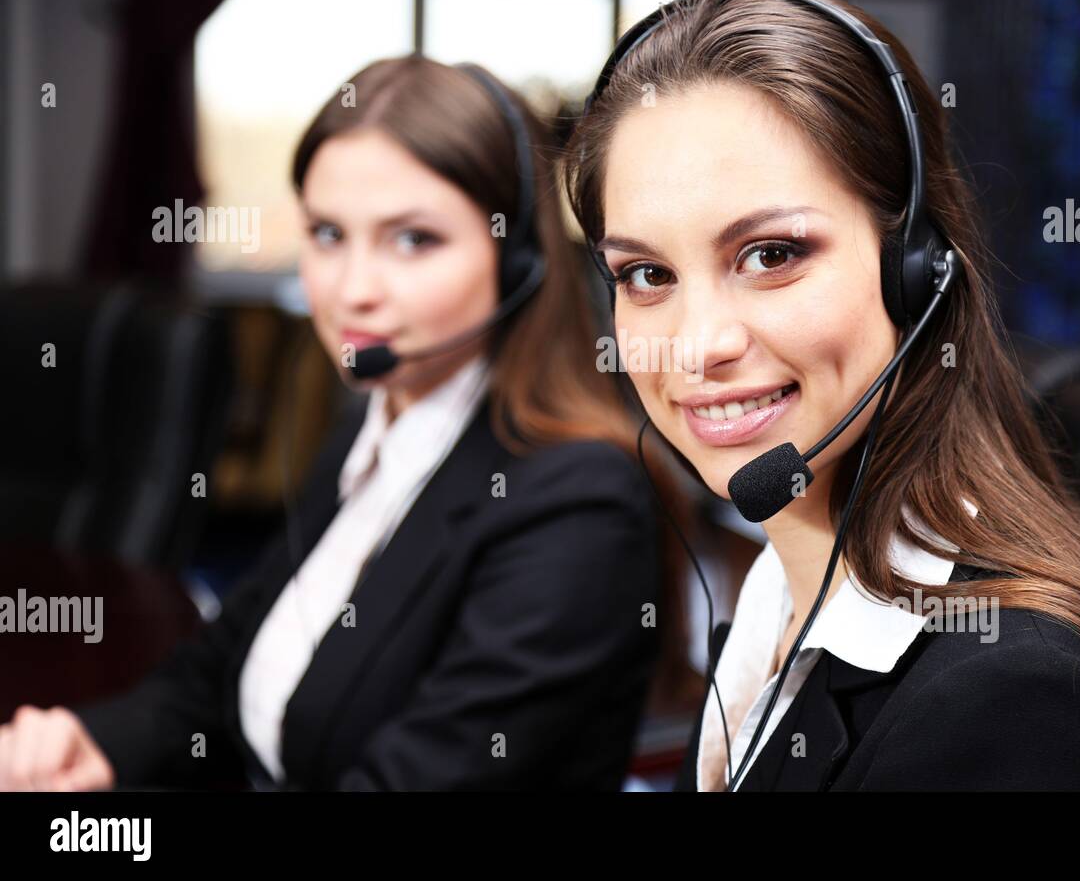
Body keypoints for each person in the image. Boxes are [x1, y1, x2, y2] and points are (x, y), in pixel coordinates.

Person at [564, 0, 1080, 791]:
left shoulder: (1012, 702)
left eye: (772, 255)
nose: (697, 347)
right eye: (647, 274)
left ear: (917, 270)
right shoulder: (786, 585)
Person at [0, 56, 665, 791]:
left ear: (518, 264)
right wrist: (91, 746)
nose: (352, 291)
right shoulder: (372, 425)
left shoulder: (580, 505)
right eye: (326, 234)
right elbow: (222, 662)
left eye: (413, 239)